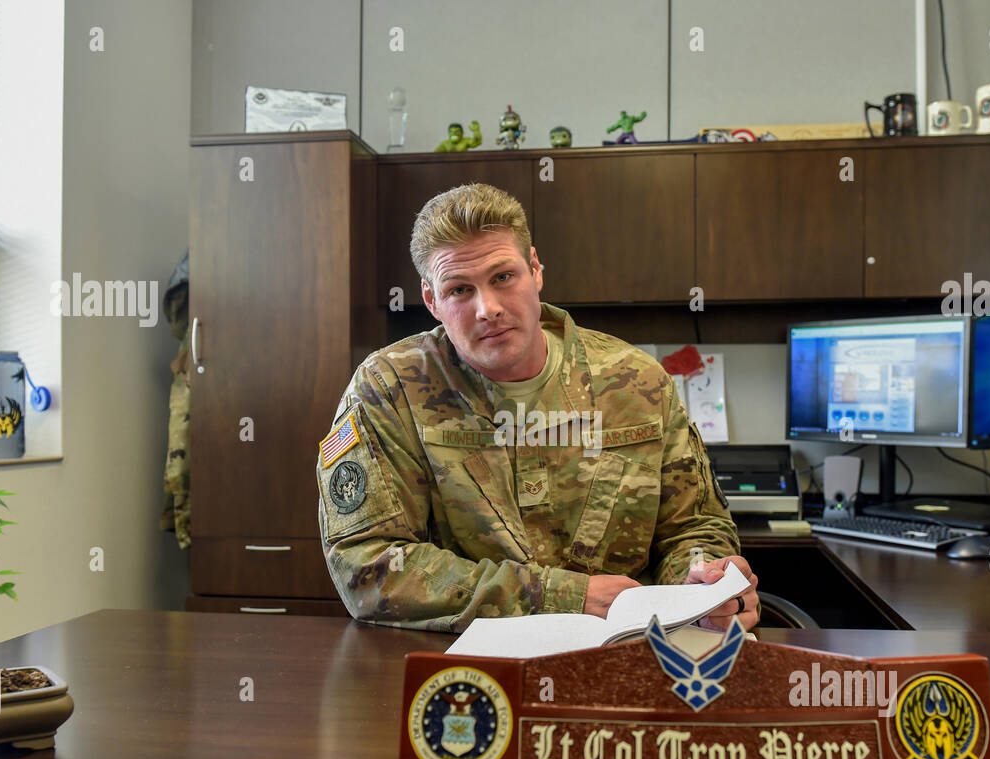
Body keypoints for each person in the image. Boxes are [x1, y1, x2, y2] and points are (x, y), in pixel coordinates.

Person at [316, 183, 760, 633]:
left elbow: (694, 528)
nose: (487, 308)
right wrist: (565, 597)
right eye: (459, 290)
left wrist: (701, 584)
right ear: (432, 301)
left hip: (631, 652)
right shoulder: (390, 389)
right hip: (461, 669)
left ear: (535, 270)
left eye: (503, 277)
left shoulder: (638, 382)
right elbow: (368, 567)